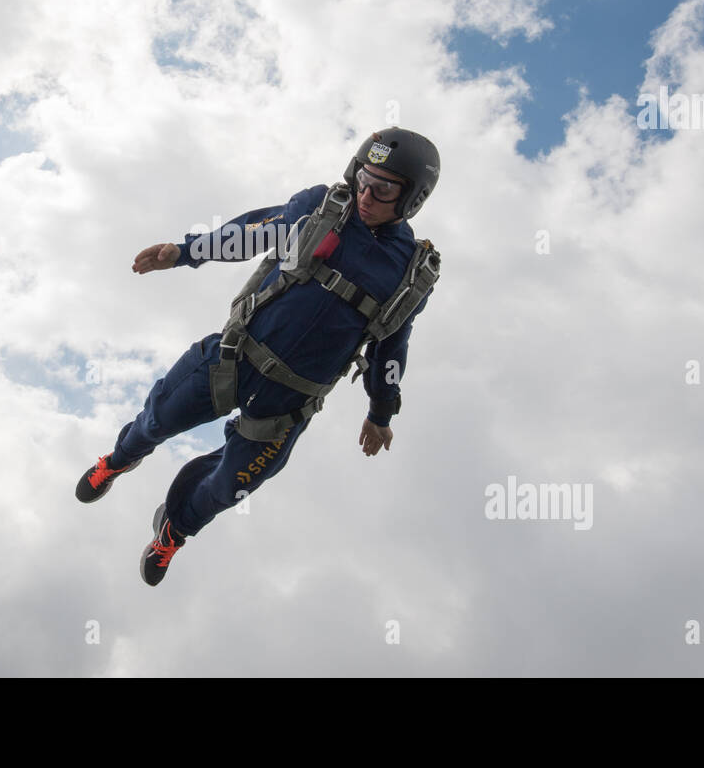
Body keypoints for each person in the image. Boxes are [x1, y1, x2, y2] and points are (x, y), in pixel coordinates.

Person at [76, 127, 441, 585]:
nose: (367, 195)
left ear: (412, 199)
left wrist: (381, 411)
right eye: (363, 179)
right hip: (233, 357)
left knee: (230, 487)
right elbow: (251, 233)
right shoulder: (321, 208)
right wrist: (185, 252)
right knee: (156, 422)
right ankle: (119, 459)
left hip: (288, 404)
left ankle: (173, 529)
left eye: (384, 189)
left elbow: (392, 345)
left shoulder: (411, 272)